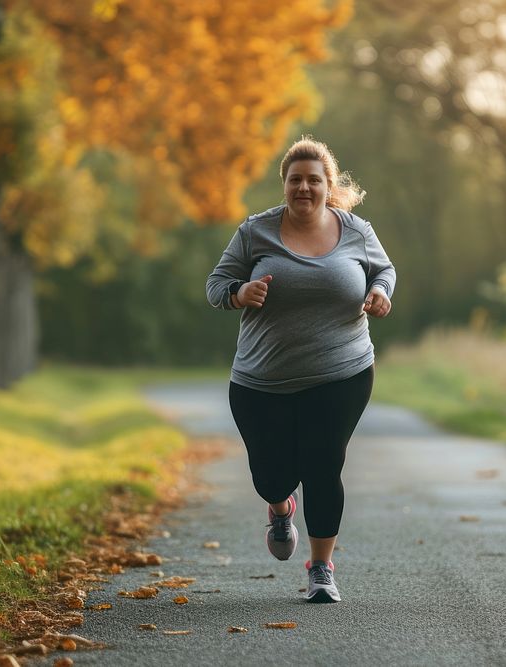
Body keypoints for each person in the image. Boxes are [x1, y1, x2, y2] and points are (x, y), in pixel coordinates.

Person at [206, 136, 395, 603]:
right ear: (284, 185)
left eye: (314, 180)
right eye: (296, 180)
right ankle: (280, 505)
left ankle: (321, 568)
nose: (304, 188)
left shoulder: (356, 231)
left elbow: (384, 271)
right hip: (261, 380)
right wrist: (239, 293)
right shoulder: (256, 232)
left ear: (329, 186)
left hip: (342, 372)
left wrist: (381, 293)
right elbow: (216, 284)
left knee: (323, 463)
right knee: (271, 475)